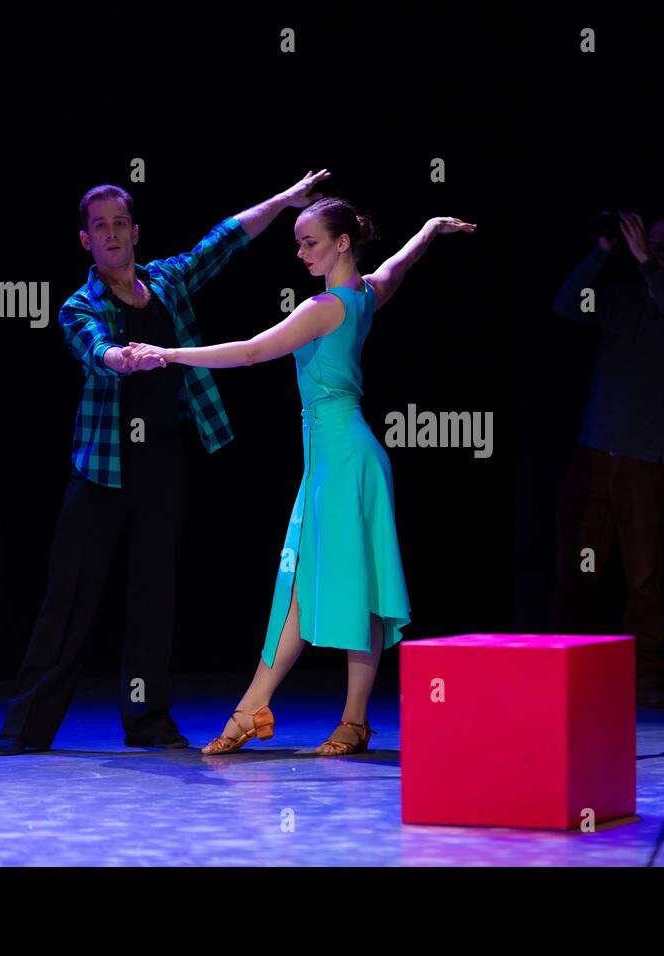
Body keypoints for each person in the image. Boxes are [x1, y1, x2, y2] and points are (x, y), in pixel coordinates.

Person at [0, 172, 331, 756]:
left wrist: (284, 200)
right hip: (100, 467)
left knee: (155, 594)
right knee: (70, 597)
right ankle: (26, 728)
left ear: (136, 231)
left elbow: (223, 241)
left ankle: (147, 721)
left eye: (121, 223)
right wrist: (121, 358)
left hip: (159, 461)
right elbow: (93, 347)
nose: (113, 234)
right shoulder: (80, 305)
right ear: (86, 241)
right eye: (101, 227)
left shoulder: (167, 280)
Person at [128, 197, 475, 755]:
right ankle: (260, 708)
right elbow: (398, 264)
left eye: (310, 241)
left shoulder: (328, 305)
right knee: (302, 586)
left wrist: (167, 353)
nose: (300, 252)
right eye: (298, 242)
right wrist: (430, 229)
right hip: (340, 459)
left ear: (342, 243)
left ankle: (344, 719)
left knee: (346, 588)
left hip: (341, 459)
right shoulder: (366, 292)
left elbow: (249, 353)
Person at [549, 211, 664, 708]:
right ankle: (564, 664)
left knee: (643, 573)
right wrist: (602, 250)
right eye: (647, 242)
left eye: (660, 246)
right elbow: (564, 305)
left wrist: (647, 262)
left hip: (646, 457)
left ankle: (646, 674)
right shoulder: (621, 300)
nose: (650, 250)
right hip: (595, 449)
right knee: (578, 563)